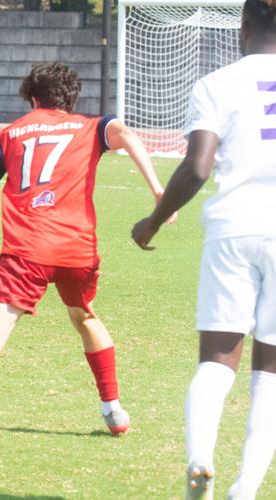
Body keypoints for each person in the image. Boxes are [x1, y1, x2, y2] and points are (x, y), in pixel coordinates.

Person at [0, 62, 172, 455]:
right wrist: (157, 191)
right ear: (70, 100)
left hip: (26, 251)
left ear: (32, 97)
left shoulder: (11, 134)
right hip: (76, 250)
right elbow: (123, 131)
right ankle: (113, 409)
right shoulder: (89, 127)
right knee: (84, 315)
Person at [132, 0, 276, 497]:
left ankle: (199, 461)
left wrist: (151, 223)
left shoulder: (217, 83)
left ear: (243, 25)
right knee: (272, 372)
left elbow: (197, 167)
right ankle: (245, 490)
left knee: (216, 361)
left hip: (234, 229)